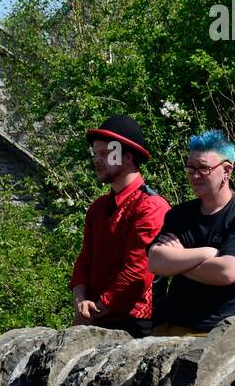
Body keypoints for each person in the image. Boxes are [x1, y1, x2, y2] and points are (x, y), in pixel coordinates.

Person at [148, 129, 235, 335]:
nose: (195, 176)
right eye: (190, 168)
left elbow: (227, 272)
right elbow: (156, 262)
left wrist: (177, 263)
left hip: (224, 332)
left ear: (227, 171)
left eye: (203, 168)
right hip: (172, 327)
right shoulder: (179, 215)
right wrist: (207, 253)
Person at [70, 115, 171, 337]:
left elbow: (138, 272)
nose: (97, 160)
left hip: (138, 323)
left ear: (127, 156)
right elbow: (85, 259)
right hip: (98, 316)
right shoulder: (98, 207)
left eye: (105, 154)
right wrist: (80, 300)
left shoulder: (151, 206)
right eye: (95, 154)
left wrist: (95, 309)